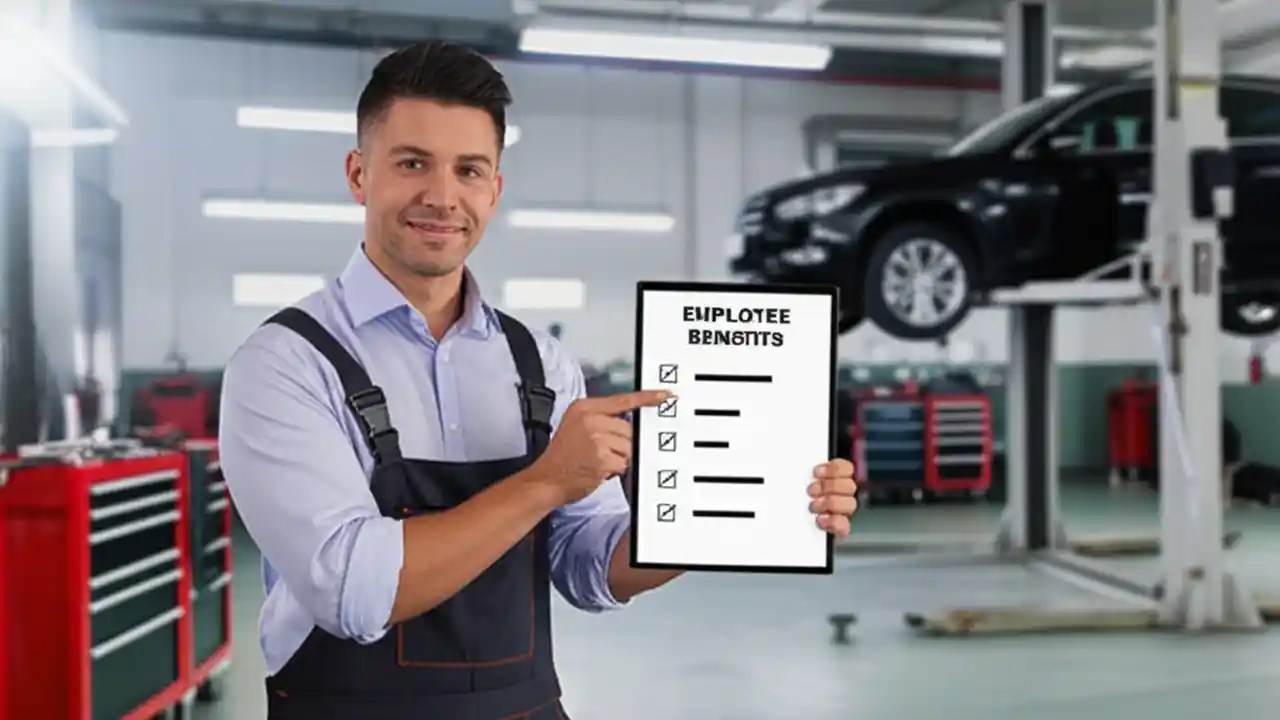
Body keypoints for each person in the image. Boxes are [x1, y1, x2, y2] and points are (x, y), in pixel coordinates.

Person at [218, 40, 859, 720]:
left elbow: (591, 563)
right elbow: (354, 589)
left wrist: (735, 506)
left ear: (494, 189)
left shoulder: (541, 364)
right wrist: (548, 479)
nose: (442, 196)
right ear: (358, 174)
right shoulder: (284, 364)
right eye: (412, 164)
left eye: (469, 170)